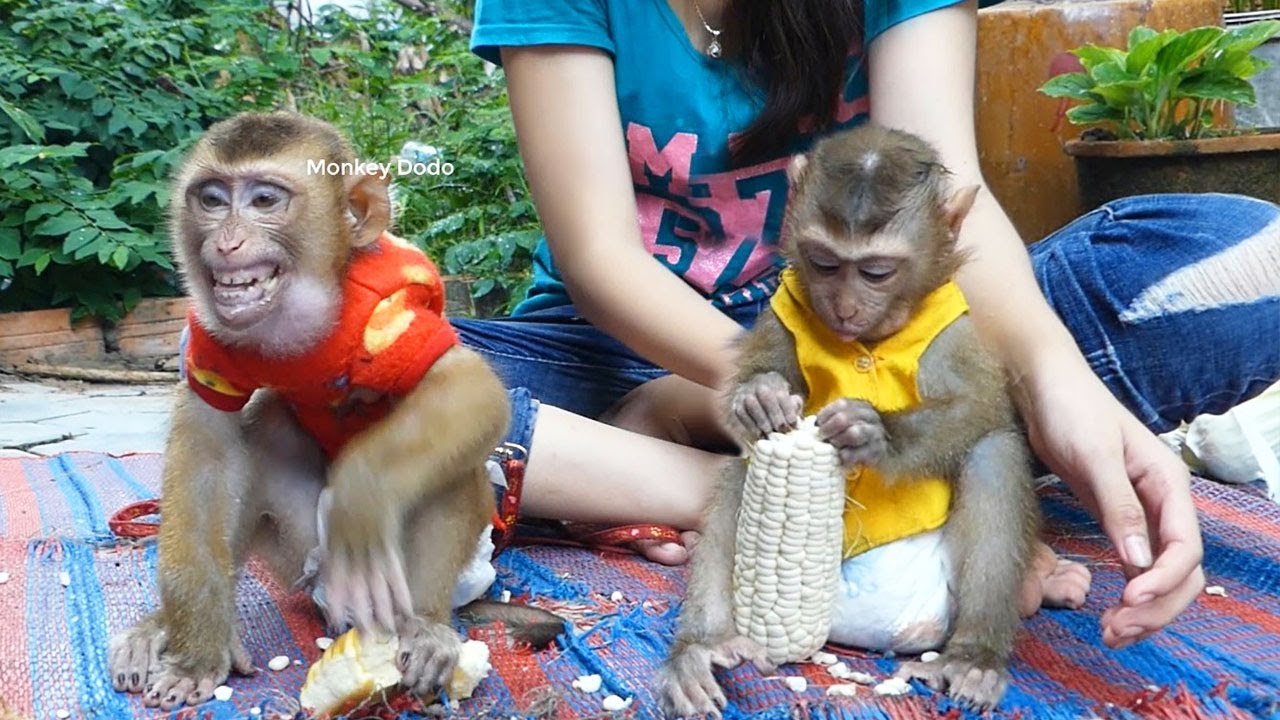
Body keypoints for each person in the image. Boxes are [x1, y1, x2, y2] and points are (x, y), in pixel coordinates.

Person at [452, 0, 1280, 652]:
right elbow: (601, 264)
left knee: (1244, 259)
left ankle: (619, 466)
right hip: (620, 354)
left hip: (896, 357)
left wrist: (1050, 376)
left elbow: (951, 206)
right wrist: (788, 395)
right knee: (358, 387)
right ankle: (740, 483)